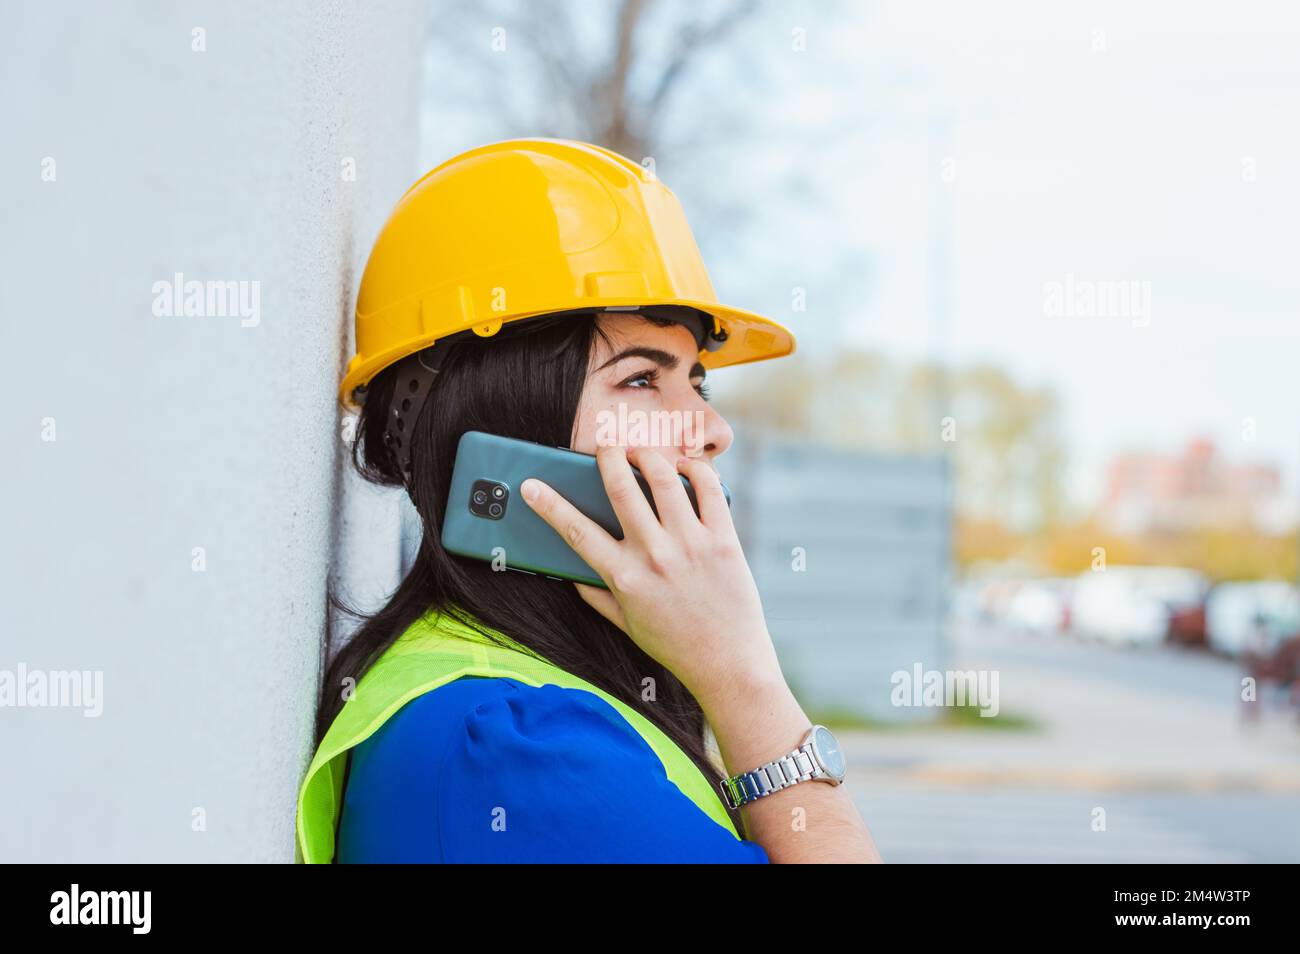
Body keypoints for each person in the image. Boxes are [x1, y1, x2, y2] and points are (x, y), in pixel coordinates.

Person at [295, 138, 883, 863]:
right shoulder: (518, 749)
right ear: (499, 435)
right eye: (642, 380)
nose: (713, 430)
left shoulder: (520, 698)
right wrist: (744, 677)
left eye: (696, 381)